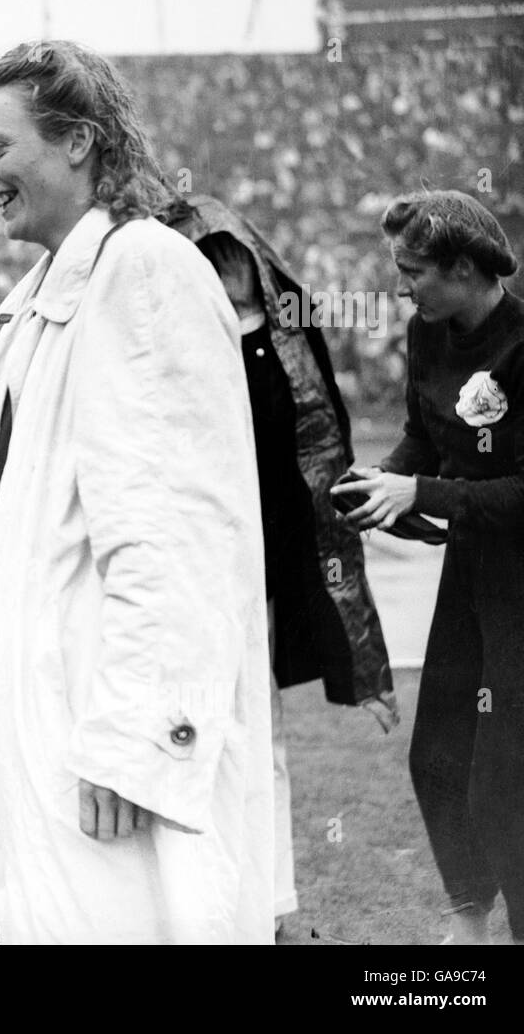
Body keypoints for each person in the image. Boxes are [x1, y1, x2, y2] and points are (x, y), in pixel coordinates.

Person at [0, 41, 274, 944]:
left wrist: (139, 740)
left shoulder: (146, 271)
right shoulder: (34, 313)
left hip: (108, 759)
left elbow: (180, 528)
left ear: (78, 141)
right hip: (40, 735)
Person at [161, 193, 394, 931]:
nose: (227, 272)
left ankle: (267, 905)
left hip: (256, 574)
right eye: (211, 260)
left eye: (234, 259)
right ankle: (219, 910)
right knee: (194, 739)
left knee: (257, 740)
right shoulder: (178, 344)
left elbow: (312, 465)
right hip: (194, 571)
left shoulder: (278, 346)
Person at [333, 190, 524, 945]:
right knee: (437, 758)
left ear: (462, 266)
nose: (401, 284)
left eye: (413, 269)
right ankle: (468, 912)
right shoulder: (428, 331)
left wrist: (422, 491)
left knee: (503, 772)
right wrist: (382, 486)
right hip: (469, 578)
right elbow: (424, 439)